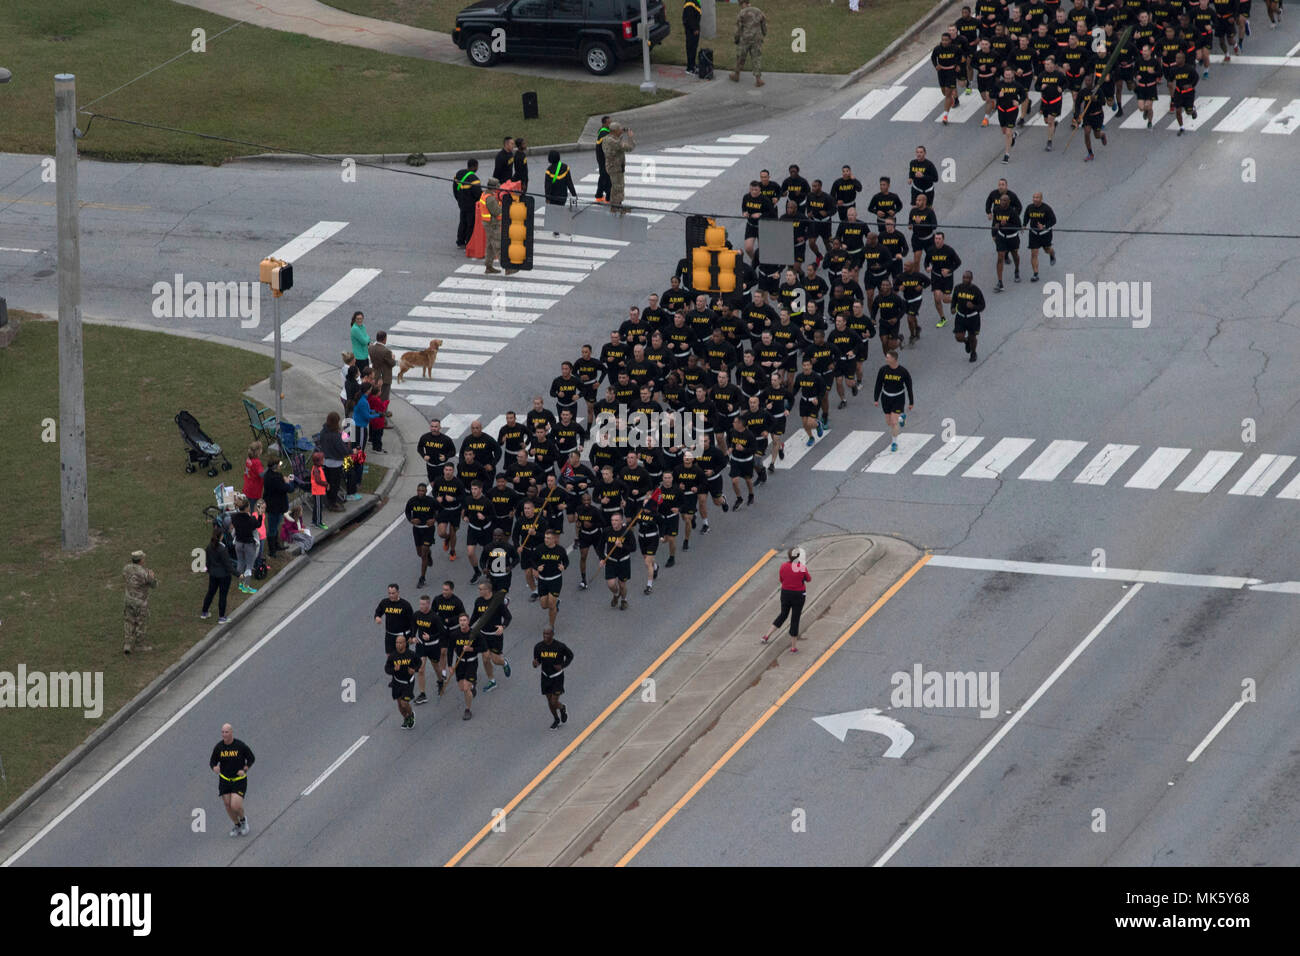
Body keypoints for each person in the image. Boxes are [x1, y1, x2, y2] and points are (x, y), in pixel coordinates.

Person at [760, 549, 811, 653]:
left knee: (783, 614)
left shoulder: (783, 566)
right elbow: (808, 579)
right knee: (795, 619)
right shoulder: (801, 568)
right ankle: (793, 646)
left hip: (785, 593)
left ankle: (766, 636)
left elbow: (781, 580)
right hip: (798, 595)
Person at [210, 723, 255, 837]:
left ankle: (244, 821)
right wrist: (214, 768)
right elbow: (212, 762)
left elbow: (251, 758)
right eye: (222, 732)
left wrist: (244, 770)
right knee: (227, 805)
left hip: (238, 780)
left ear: (231, 732)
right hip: (225, 779)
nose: (224, 734)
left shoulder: (240, 746)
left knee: (235, 805)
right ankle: (237, 825)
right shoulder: (219, 747)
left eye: (226, 732)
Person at [471, 579, 513, 693]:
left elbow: (508, 617)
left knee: (495, 660)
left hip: (495, 636)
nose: (478, 590)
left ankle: (504, 663)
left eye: (480, 589)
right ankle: (492, 681)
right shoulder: (478, 601)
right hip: (483, 635)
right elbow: (475, 616)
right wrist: (468, 628)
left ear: (487, 590)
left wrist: (502, 627)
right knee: (485, 658)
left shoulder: (497, 602)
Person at [873, 350, 915, 453]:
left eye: (887, 357)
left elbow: (909, 387)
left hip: (898, 398)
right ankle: (901, 418)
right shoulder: (883, 370)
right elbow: (878, 384)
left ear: (894, 359)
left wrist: (911, 402)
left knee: (893, 422)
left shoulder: (903, 372)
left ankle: (894, 443)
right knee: (889, 422)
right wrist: (876, 398)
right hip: (886, 397)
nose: (886, 359)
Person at [533, 628, 574, 729]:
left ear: (552, 634)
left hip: (557, 677)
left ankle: (562, 708)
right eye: (544, 634)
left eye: (548, 634)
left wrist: (563, 665)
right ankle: (556, 719)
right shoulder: (538, 647)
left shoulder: (560, 646)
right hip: (545, 676)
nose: (545, 636)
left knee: (554, 701)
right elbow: (536, 661)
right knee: (549, 701)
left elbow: (570, 656)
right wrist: (535, 664)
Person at [449, 613, 487, 721]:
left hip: (471, 662)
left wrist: (472, 650)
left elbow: (484, 647)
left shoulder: (475, 634)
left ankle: (467, 710)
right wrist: (449, 665)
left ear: (468, 621)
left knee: (465, 688)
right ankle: (472, 686)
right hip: (459, 663)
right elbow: (450, 650)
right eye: (461, 620)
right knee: (462, 688)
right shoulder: (455, 634)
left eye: (464, 620)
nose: (462, 622)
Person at [122, 550, 157, 655]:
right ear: (141, 560)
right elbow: (154, 585)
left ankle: (127, 644)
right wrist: (152, 576)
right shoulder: (144, 572)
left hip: (128, 599)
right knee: (140, 623)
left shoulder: (126, 568)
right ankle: (139, 645)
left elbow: (125, 577)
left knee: (129, 621)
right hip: (140, 602)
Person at [200, 526, 237, 623]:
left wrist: (209, 570)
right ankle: (221, 616)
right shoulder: (222, 549)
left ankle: (204, 612)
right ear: (221, 536)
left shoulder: (209, 547)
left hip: (213, 574)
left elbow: (207, 561)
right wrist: (238, 574)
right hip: (224, 575)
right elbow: (228, 564)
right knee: (222, 595)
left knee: (210, 592)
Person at [261, 459, 294, 558]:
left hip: (272, 505)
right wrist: (288, 482)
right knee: (273, 527)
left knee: (275, 526)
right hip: (276, 506)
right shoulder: (275, 478)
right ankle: (272, 550)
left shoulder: (268, 476)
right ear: (275, 467)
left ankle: (276, 545)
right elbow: (286, 489)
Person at [385, 634, 420, 729]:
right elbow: (387, 669)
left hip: (408, 682)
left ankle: (411, 714)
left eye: (400, 643)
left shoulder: (411, 654)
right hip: (397, 682)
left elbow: (419, 663)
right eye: (397, 643)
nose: (398, 645)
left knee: (404, 703)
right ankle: (406, 718)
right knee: (400, 705)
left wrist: (414, 670)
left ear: (405, 644)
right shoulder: (393, 656)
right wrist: (394, 670)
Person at [730, 0, 768, 86]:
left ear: (742, 3)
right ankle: (758, 79)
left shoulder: (742, 13)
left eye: (740, 4)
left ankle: (736, 75)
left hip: (745, 39)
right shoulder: (758, 11)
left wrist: (736, 39)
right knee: (756, 58)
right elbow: (763, 23)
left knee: (740, 57)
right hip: (757, 39)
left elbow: (738, 29)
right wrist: (764, 33)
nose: (740, 6)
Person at [952, 270, 987, 362]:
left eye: (967, 278)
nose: (965, 279)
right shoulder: (958, 288)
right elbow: (954, 299)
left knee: (972, 337)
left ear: (971, 279)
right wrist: (952, 307)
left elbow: (982, 306)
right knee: (958, 337)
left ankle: (973, 352)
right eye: (964, 277)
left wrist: (973, 306)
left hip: (973, 318)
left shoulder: (976, 290)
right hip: (960, 316)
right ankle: (966, 341)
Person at [230, 496, 262, 594]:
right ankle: (246, 586)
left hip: (238, 543)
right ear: (247, 507)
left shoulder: (234, 517)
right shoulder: (251, 519)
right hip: (248, 544)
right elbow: (258, 524)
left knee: (240, 563)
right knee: (249, 565)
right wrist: (260, 514)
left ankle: (240, 584)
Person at [318, 412, 349, 512]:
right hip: (335, 462)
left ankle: (329, 500)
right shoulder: (335, 436)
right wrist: (349, 450)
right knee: (335, 484)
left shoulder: (323, 432)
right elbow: (342, 449)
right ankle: (333, 503)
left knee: (328, 483)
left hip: (326, 461)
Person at [1024, 191, 1058, 282]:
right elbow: (1026, 216)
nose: (1035, 199)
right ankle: (1035, 274)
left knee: (1047, 249)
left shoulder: (1046, 209)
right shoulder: (1029, 207)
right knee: (1034, 253)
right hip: (1034, 234)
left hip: (1045, 234)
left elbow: (1054, 220)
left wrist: (1044, 226)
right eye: (1034, 197)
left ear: (1041, 199)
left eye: (1037, 197)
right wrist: (1024, 225)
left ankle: (1052, 254)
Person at [602, 122, 636, 212]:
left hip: (613, 166)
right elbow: (630, 147)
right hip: (615, 167)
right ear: (615, 131)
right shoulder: (613, 141)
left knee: (615, 187)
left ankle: (616, 206)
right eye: (619, 129)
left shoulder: (607, 138)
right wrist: (630, 137)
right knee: (618, 187)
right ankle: (616, 207)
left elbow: (618, 143)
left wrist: (621, 134)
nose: (621, 130)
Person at [375, 582, 415, 656]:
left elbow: (412, 622)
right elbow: (378, 611)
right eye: (389, 593)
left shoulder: (405, 605)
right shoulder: (385, 602)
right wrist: (377, 617)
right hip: (389, 635)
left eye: (393, 593)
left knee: (403, 658)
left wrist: (412, 636)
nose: (391, 595)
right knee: (390, 657)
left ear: (398, 592)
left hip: (402, 636)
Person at [544, 149, 577, 236]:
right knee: (561, 211)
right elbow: (569, 182)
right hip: (563, 195)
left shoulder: (549, 170)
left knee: (555, 212)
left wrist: (547, 198)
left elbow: (547, 186)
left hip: (553, 196)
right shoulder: (565, 167)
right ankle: (566, 229)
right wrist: (574, 194)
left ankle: (556, 230)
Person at [453, 157, 482, 248]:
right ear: (474, 167)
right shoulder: (474, 179)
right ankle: (469, 242)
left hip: (462, 203)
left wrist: (458, 199)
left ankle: (460, 241)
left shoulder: (459, 173)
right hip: (471, 205)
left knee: (462, 222)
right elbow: (478, 194)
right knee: (470, 224)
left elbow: (455, 188)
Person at [482, 178, 504, 274]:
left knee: (490, 246)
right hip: (492, 224)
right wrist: (503, 206)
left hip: (489, 223)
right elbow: (496, 211)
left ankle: (488, 266)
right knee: (498, 245)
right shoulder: (490, 198)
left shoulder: (486, 194)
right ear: (494, 187)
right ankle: (508, 267)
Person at [368, 330, 396, 402]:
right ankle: (382, 413)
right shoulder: (386, 351)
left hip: (375, 375)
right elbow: (392, 363)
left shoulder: (371, 348)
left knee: (374, 397)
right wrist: (393, 357)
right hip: (385, 377)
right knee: (384, 398)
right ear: (384, 339)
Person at [594, 117, 612, 203]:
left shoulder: (603, 131)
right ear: (604, 123)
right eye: (609, 123)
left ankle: (599, 195)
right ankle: (608, 197)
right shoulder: (604, 133)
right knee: (607, 177)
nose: (610, 124)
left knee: (603, 176)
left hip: (602, 158)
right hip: (603, 159)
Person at [683, 0, 702, 74]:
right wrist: (695, 28)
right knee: (691, 47)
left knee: (694, 48)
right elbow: (690, 18)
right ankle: (690, 68)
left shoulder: (694, 2)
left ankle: (693, 64)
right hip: (691, 30)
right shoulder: (689, 3)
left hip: (694, 29)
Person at [350, 310, 371, 376]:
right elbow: (364, 341)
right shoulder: (355, 329)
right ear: (355, 319)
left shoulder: (363, 326)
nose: (359, 320)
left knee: (366, 375)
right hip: (359, 357)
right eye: (358, 319)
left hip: (365, 355)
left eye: (361, 319)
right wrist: (368, 338)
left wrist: (367, 338)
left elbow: (366, 338)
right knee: (362, 376)